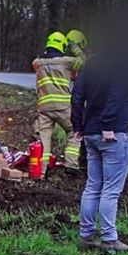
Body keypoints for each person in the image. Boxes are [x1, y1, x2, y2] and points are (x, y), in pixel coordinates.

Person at [71, 51, 128, 252]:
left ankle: (86, 236)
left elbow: (77, 94)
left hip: (90, 132)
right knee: (111, 190)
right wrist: (107, 125)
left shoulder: (91, 64)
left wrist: (78, 125)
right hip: (113, 134)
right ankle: (109, 239)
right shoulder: (123, 66)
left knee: (92, 186)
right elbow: (116, 96)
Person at [32, 31, 82, 174]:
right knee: (74, 132)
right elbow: (83, 61)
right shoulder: (66, 61)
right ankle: (71, 165)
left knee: (44, 138)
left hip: (44, 108)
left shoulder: (37, 63)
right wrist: (74, 46)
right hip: (63, 107)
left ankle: (42, 170)